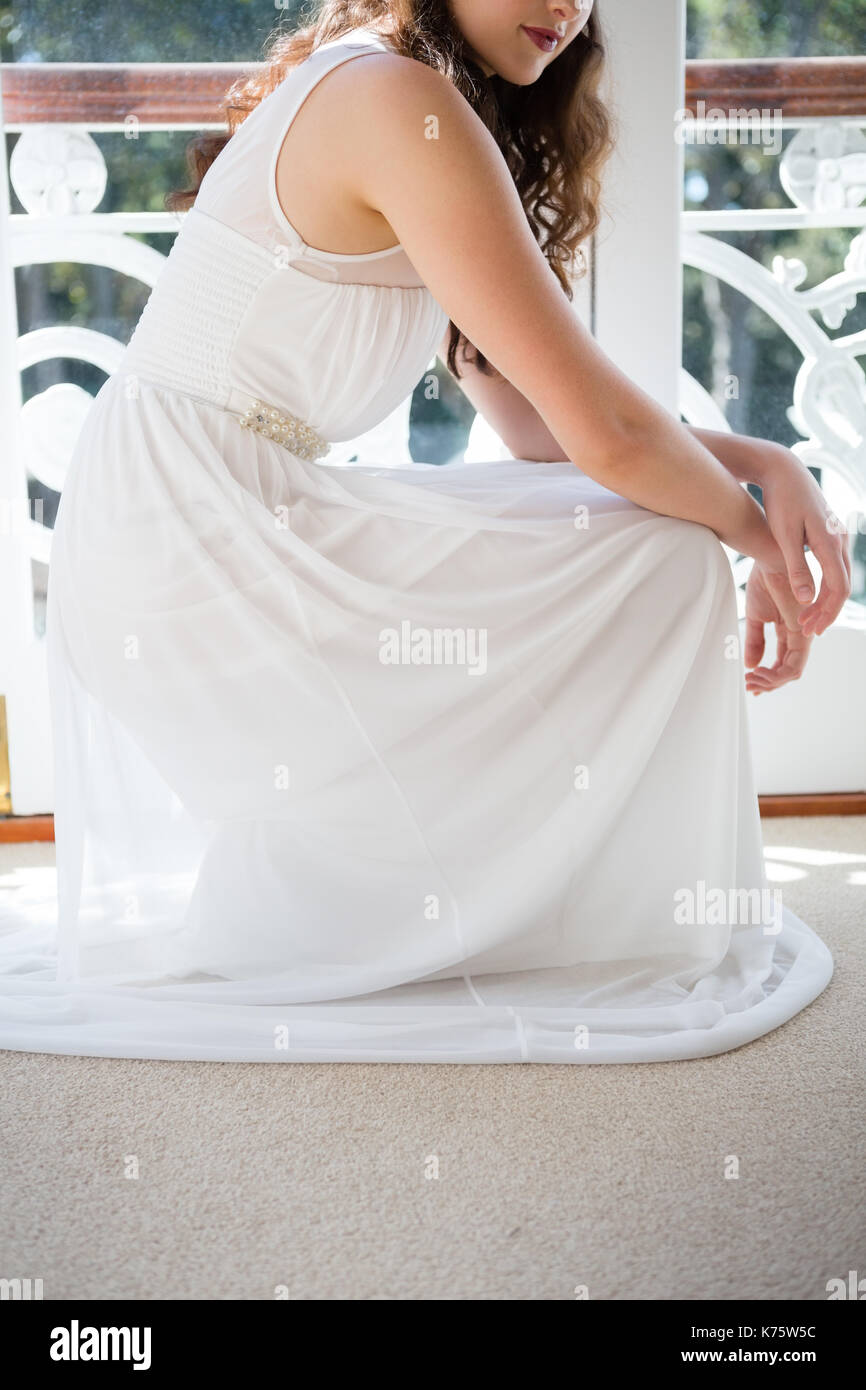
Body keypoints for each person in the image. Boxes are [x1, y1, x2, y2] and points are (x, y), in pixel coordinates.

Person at [0, 0, 848, 1063]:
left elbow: (538, 423)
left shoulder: (423, 105)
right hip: (185, 541)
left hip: (230, 511)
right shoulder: (392, 100)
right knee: (668, 548)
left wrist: (756, 467)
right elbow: (602, 433)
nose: (564, 8)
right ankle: (541, 897)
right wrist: (754, 532)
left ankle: (548, 894)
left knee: (652, 535)